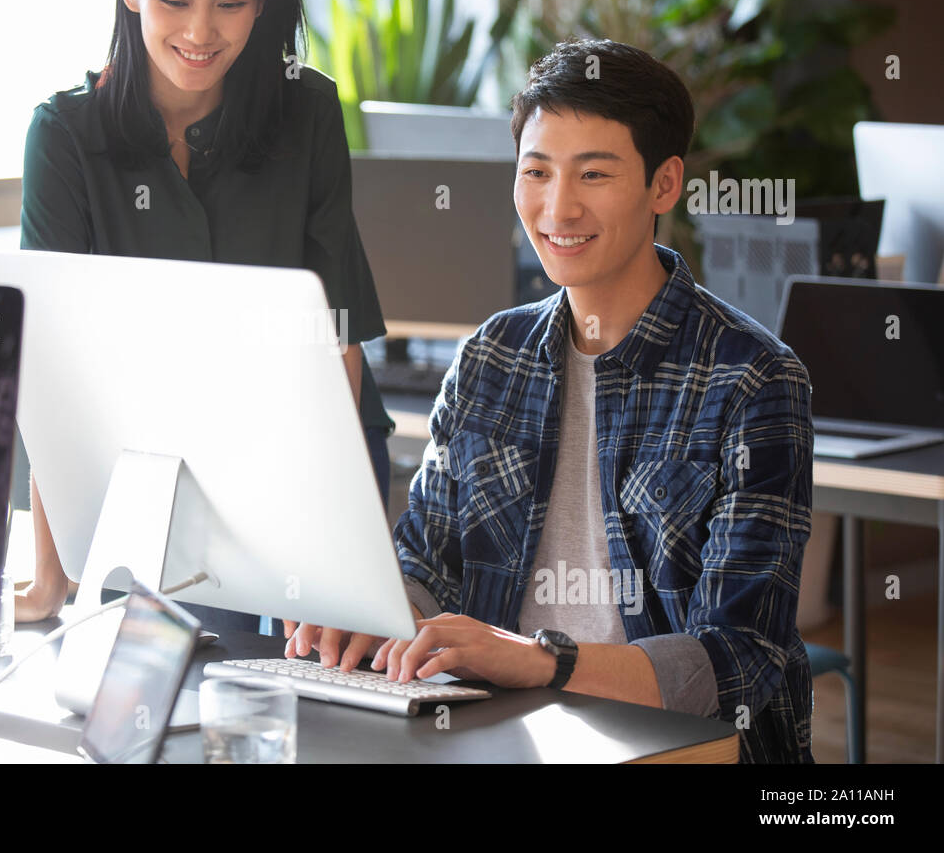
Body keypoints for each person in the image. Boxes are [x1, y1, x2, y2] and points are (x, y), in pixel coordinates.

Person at [285, 38, 816, 763]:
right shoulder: (489, 357)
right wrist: (377, 617)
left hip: (674, 751)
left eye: (593, 174)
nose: (557, 206)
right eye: (536, 172)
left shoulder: (753, 378)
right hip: (497, 732)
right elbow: (426, 565)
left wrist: (543, 660)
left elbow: (738, 660)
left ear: (664, 186)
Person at [16, 0, 393, 625]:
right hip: (151, 475)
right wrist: (48, 578)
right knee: (159, 690)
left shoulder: (308, 113)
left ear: (262, 5)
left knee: (315, 693)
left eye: (231, 3)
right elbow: (55, 371)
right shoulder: (64, 135)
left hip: (314, 446)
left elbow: (335, 338)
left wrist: (323, 550)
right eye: (173, 0)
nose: (200, 32)